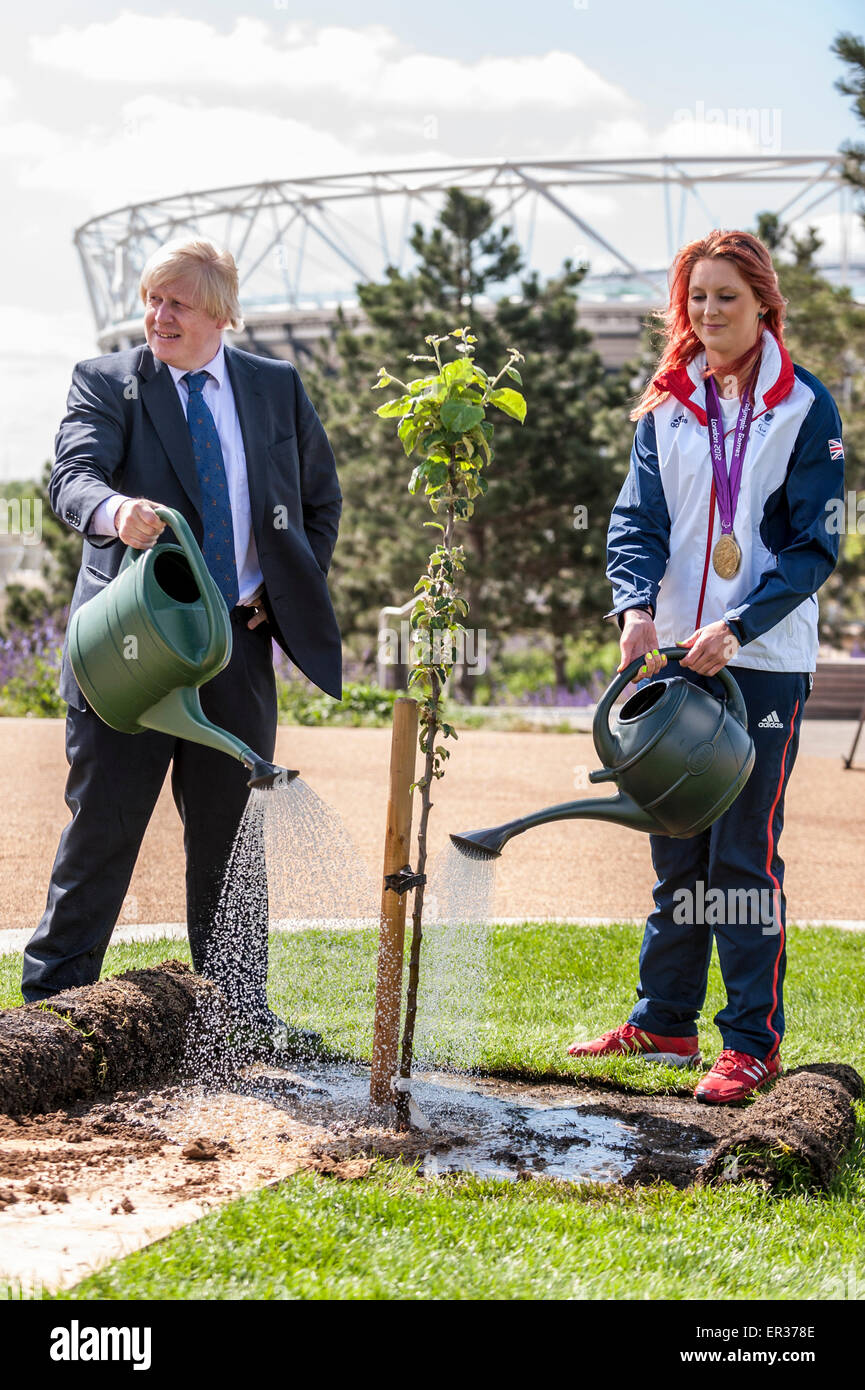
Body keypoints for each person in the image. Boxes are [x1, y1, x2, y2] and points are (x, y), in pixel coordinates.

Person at [22, 238, 342, 1051]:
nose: (158, 317)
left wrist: (282, 586)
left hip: (235, 646)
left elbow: (316, 502)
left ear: (221, 315)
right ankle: (54, 1012)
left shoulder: (274, 387)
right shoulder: (108, 382)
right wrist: (112, 510)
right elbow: (70, 477)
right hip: (130, 647)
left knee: (231, 841)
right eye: (151, 301)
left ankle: (235, 1016)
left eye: (178, 304)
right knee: (103, 827)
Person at [568, 229, 845, 1103]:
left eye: (725, 295)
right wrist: (635, 606)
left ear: (763, 302)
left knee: (740, 855)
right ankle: (663, 1021)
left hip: (758, 663)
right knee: (675, 848)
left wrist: (739, 624)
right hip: (672, 658)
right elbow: (634, 524)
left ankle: (751, 1042)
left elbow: (813, 548)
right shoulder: (667, 402)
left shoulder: (806, 407)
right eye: (696, 298)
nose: (709, 312)